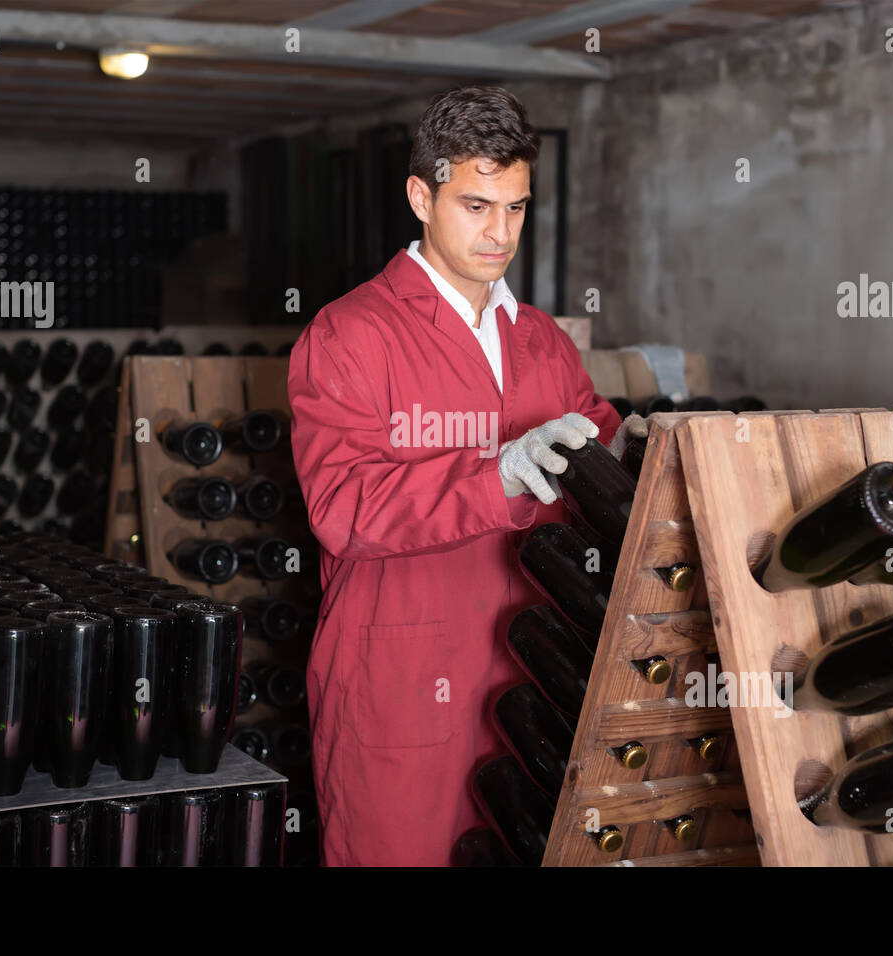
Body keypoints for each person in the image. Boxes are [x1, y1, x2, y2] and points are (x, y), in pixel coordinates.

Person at [287, 86, 649, 866]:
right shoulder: (350, 335)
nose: (500, 233)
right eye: (477, 206)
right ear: (421, 195)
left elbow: (602, 441)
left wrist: (650, 447)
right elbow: (344, 508)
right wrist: (502, 474)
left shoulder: (542, 340)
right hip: (401, 680)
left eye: (516, 209)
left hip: (531, 674)